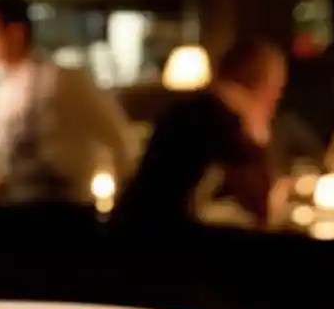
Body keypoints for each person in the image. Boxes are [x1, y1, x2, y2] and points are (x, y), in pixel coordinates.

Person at [0, 0, 133, 204]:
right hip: (20, 205)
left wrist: (123, 199)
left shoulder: (62, 79)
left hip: (67, 205)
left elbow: (117, 136)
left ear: (15, 33)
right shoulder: (1, 94)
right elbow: (11, 168)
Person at [113, 38, 287, 233]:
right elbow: (260, 205)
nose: (277, 97)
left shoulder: (191, 109)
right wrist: (258, 134)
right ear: (265, 84)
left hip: (129, 231)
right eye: (277, 87)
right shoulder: (223, 118)